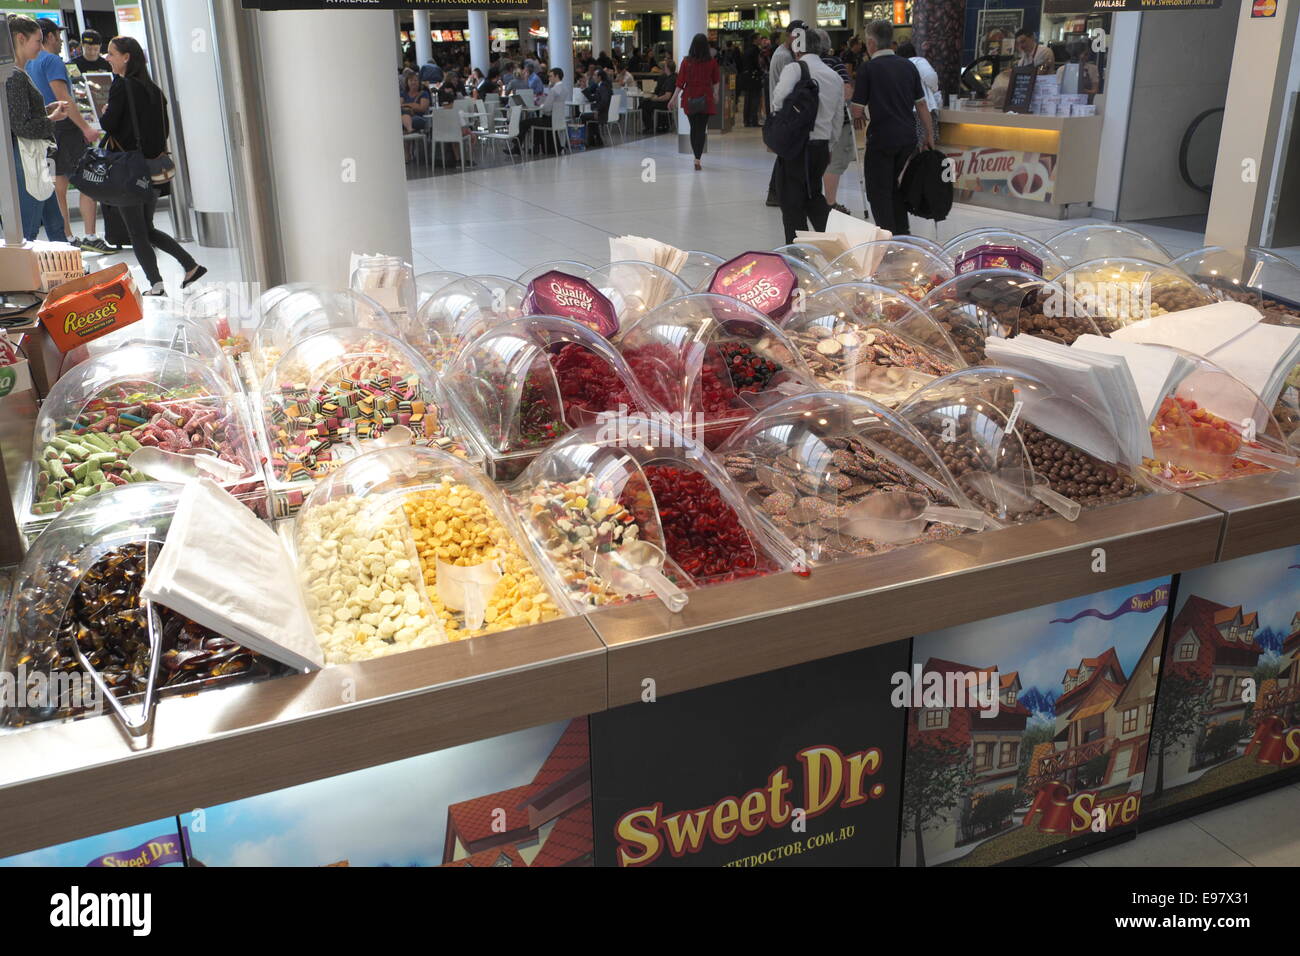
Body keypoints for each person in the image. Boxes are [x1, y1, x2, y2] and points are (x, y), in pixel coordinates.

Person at [100, 35, 206, 296]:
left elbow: (109, 125)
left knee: (137, 232)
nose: (108, 58)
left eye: (112, 54)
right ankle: (190, 266)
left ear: (126, 58)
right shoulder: (155, 91)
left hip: (129, 170)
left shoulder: (121, 87)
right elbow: (164, 130)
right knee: (145, 228)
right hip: (155, 168)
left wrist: (105, 113)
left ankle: (156, 286)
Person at [27, 19, 103, 252]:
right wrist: (85, 128)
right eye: (57, 35)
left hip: (47, 129)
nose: (60, 40)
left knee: (57, 184)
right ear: (48, 36)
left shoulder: (30, 62)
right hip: (66, 127)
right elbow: (64, 98)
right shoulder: (52, 61)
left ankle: (66, 237)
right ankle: (89, 236)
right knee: (86, 180)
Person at [851, 19, 933, 235]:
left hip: (881, 139)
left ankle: (887, 237)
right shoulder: (908, 66)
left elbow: (857, 110)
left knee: (878, 191)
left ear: (870, 43)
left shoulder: (868, 69)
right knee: (895, 186)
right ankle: (902, 232)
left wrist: (857, 112)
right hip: (907, 137)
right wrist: (929, 134)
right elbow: (922, 105)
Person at [771, 26, 843, 243]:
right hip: (820, 147)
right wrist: (829, 146)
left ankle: (797, 252)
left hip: (796, 147)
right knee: (812, 196)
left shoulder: (795, 70)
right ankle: (835, 243)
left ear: (798, 48)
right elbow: (837, 119)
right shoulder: (834, 76)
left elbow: (777, 101)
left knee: (791, 201)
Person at [6, 15, 67, 242]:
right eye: (38, 41)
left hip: (32, 157)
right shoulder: (14, 76)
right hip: (25, 157)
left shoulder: (17, 73)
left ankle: (66, 273)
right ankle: (26, 276)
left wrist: (46, 110)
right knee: (29, 229)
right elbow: (21, 126)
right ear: (21, 38)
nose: (41, 47)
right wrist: (52, 118)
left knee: (54, 223)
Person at [817, 29, 856, 215]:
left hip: (812, 123)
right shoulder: (834, 62)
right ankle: (830, 203)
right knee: (835, 162)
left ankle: (816, 201)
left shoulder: (801, 65)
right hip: (837, 122)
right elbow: (847, 91)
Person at [765, 21, 803, 208]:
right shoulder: (784, 57)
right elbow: (789, 88)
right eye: (797, 35)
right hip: (784, 112)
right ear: (789, 35)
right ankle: (775, 192)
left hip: (782, 110)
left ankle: (776, 192)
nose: (799, 39)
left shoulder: (785, 53)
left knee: (784, 154)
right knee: (784, 154)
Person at [671, 33, 721, 171]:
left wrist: (673, 98)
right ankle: (698, 158)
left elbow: (680, 83)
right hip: (706, 97)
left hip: (690, 97)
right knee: (701, 128)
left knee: (694, 128)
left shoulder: (686, 62)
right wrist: (716, 94)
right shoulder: (711, 62)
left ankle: (696, 156)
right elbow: (716, 80)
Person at [897, 40, 941, 146]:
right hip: (922, 110)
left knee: (907, 147)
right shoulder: (918, 61)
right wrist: (934, 89)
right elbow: (931, 77)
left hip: (902, 111)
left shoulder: (898, 65)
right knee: (924, 144)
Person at [519, 67, 570, 153]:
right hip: (558, 120)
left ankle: (517, 147)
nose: (549, 78)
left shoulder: (554, 90)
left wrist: (542, 105)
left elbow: (547, 109)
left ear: (556, 76)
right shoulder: (565, 89)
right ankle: (535, 149)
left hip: (549, 120)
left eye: (550, 76)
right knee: (535, 121)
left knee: (524, 123)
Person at [580, 68, 612, 147]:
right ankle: (595, 139)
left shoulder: (603, 87)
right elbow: (592, 98)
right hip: (603, 113)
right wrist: (584, 88)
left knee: (583, 116)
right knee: (589, 117)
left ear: (599, 77)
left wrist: (597, 110)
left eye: (595, 75)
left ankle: (586, 140)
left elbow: (604, 101)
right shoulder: (602, 86)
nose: (593, 77)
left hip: (602, 114)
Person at [641, 57, 675, 132]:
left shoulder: (670, 80)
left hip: (665, 103)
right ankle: (652, 125)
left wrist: (656, 99)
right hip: (665, 102)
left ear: (667, 68)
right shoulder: (671, 78)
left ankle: (650, 126)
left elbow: (667, 96)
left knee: (643, 105)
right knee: (645, 103)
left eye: (665, 66)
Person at [741, 37, 762, 127]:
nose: (760, 40)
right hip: (754, 77)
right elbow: (757, 64)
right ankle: (754, 120)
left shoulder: (746, 50)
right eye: (759, 39)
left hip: (746, 77)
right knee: (755, 99)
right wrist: (761, 71)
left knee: (748, 99)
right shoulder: (756, 50)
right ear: (754, 40)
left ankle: (746, 120)